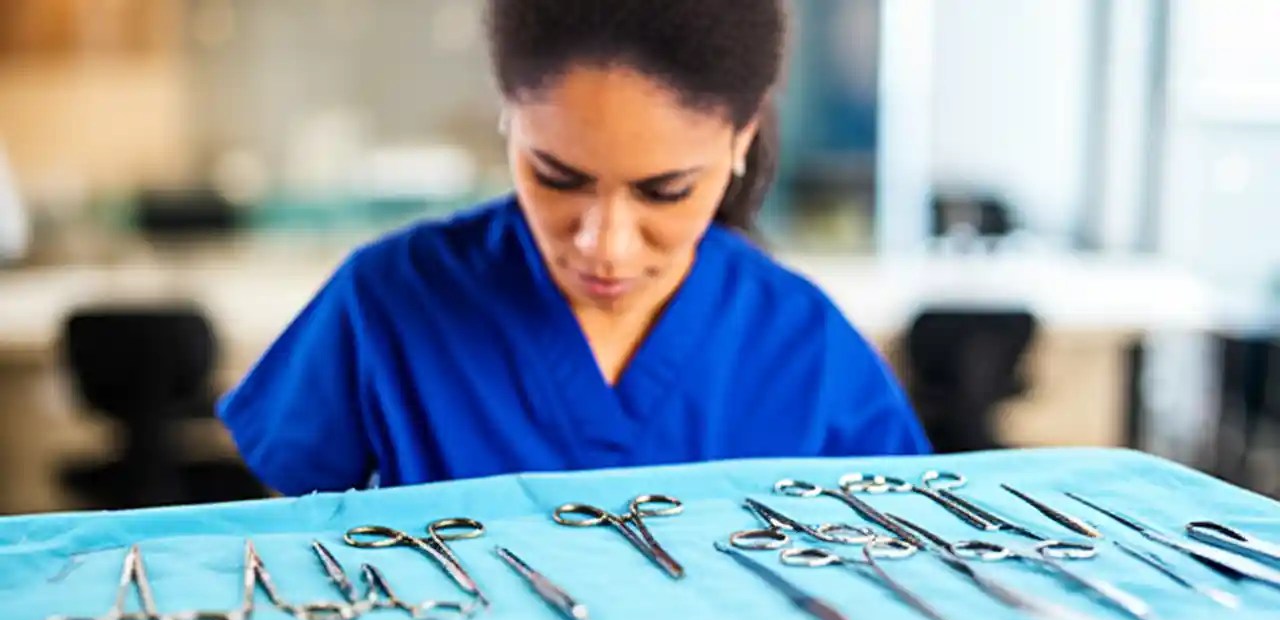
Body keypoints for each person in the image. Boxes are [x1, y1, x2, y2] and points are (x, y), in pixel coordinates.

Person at [216, 0, 930, 497]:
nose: (605, 246)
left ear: (741, 141)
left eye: (665, 191)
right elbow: (291, 549)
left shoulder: (803, 346)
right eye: (557, 179)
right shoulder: (390, 302)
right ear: (507, 118)